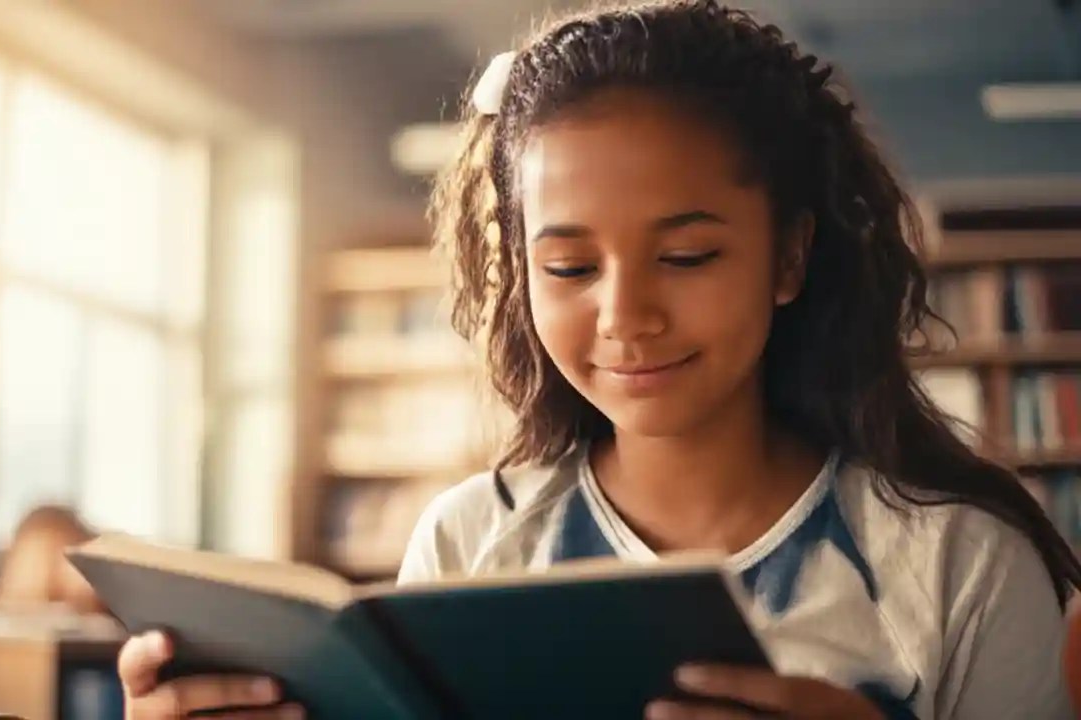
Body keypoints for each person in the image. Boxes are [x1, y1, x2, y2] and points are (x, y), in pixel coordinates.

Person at [118, 2, 1081, 718]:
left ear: (790, 255)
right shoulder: (466, 545)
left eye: (688, 256)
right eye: (570, 265)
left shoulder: (964, 567)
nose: (626, 317)